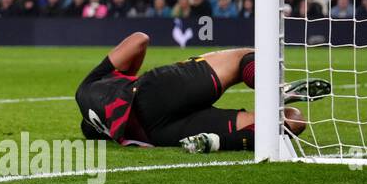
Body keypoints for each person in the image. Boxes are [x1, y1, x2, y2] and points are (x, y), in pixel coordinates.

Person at [74, 32, 328, 152]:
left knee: (292, 121)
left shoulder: (104, 126)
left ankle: (215, 143)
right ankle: (276, 88)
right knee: (245, 58)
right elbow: (140, 39)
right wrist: (129, 74)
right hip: (150, 93)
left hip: (159, 133)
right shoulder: (88, 87)